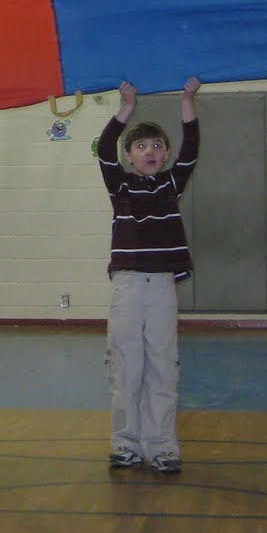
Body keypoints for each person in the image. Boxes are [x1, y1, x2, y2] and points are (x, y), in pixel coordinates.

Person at [97, 77, 201, 473]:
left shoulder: (172, 184)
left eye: (157, 145)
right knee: (126, 365)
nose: (150, 152)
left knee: (162, 363)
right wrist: (126, 106)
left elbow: (192, 146)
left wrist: (187, 100)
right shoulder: (119, 185)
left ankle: (161, 446)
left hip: (161, 286)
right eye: (140, 146)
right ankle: (125, 443)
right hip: (127, 285)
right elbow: (105, 148)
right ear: (129, 156)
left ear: (166, 153)